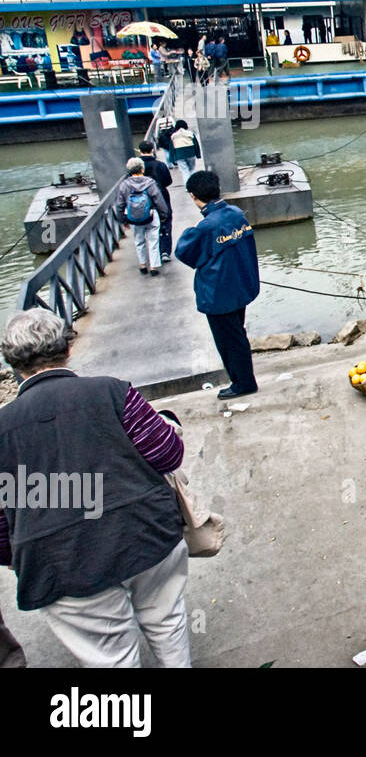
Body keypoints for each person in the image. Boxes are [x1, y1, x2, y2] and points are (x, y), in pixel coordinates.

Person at [0, 308, 190, 667]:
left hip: (61, 560)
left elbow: (0, 526)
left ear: (13, 364)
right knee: (167, 621)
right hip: (146, 532)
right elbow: (168, 454)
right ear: (67, 349)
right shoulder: (112, 391)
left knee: (111, 657)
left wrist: (17, 557)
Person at [174, 170, 259, 399]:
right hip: (240, 285)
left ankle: (242, 383)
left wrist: (192, 228)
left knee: (228, 341)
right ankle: (244, 379)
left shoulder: (206, 227)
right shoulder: (235, 213)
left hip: (219, 294)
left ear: (193, 196)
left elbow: (184, 252)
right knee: (237, 335)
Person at [113, 157, 169, 277]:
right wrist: (164, 215)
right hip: (151, 215)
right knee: (153, 240)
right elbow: (159, 200)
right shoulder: (150, 183)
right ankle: (153, 266)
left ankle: (143, 265)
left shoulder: (124, 185)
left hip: (134, 218)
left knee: (139, 241)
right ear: (142, 169)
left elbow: (119, 204)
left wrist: (123, 220)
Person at [139, 140, 173, 262]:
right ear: (152, 150)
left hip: (142, 199)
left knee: (146, 224)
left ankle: (149, 254)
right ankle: (164, 251)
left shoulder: (136, 166)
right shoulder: (160, 165)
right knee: (165, 222)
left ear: (140, 150)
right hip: (161, 196)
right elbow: (168, 181)